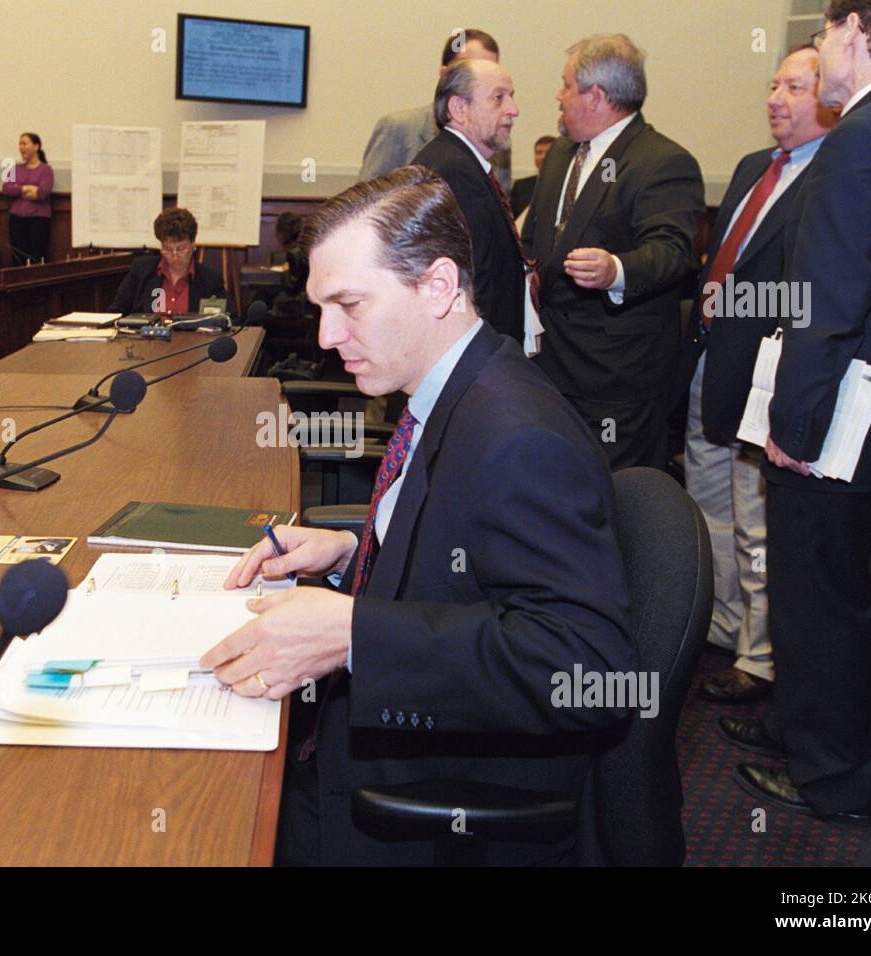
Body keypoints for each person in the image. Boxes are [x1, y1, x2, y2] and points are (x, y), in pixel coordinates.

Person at [199, 166, 636, 866]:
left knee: (197, 820)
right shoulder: (456, 385)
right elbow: (469, 557)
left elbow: (585, 667)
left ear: (437, 287)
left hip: (436, 787)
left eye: (349, 304)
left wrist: (355, 633)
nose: (324, 335)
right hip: (401, 731)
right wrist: (350, 551)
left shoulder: (518, 436)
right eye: (319, 306)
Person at [727, 0, 871, 820]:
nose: (820, 46)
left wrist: (794, 426)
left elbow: (828, 303)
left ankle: (830, 778)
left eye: (824, 31)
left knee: (815, 600)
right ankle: (800, 729)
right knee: (823, 589)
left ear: (856, 30)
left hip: (840, 415)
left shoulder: (865, 134)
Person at [686, 45, 836, 705]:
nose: (776, 98)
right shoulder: (754, 166)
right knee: (708, 510)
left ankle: (759, 657)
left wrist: (744, 307)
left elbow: (815, 291)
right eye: (774, 84)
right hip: (710, 362)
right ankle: (718, 625)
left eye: (794, 87)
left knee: (757, 520)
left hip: (770, 376)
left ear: (828, 98)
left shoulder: (835, 175)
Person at [522, 34, 704, 470]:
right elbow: (537, 244)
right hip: (548, 367)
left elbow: (673, 250)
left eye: (566, 85)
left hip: (615, 381)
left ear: (596, 95)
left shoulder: (662, 161)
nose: (559, 96)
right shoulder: (562, 154)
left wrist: (616, 270)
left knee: (613, 505)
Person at [412, 59, 527, 344]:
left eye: (511, 96)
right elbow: (473, 281)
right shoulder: (454, 169)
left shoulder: (455, 160)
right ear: (459, 109)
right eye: (498, 98)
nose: (513, 109)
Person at [358, 29, 512, 190]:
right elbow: (365, 205)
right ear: (444, 74)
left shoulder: (497, 134)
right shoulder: (398, 128)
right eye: (472, 70)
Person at [109, 207, 229, 315]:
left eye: (181, 249)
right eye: (168, 249)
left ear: (193, 245)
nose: (175, 256)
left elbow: (231, 320)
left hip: (193, 340)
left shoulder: (210, 279)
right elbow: (115, 312)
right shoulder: (141, 271)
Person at [0, 132, 53, 265]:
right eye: (20, 144)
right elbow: (6, 188)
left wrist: (17, 189)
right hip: (17, 219)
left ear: (36, 146)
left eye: (24, 143)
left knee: (36, 257)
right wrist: (24, 188)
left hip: (38, 220)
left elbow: (42, 193)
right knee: (18, 257)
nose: (21, 147)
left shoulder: (46, 170)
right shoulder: (15, 168)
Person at [510, 134, 558, 218]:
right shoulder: (520, 186)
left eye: (548, 152)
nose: (543, 157)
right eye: (538, 152)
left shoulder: (566, 184)